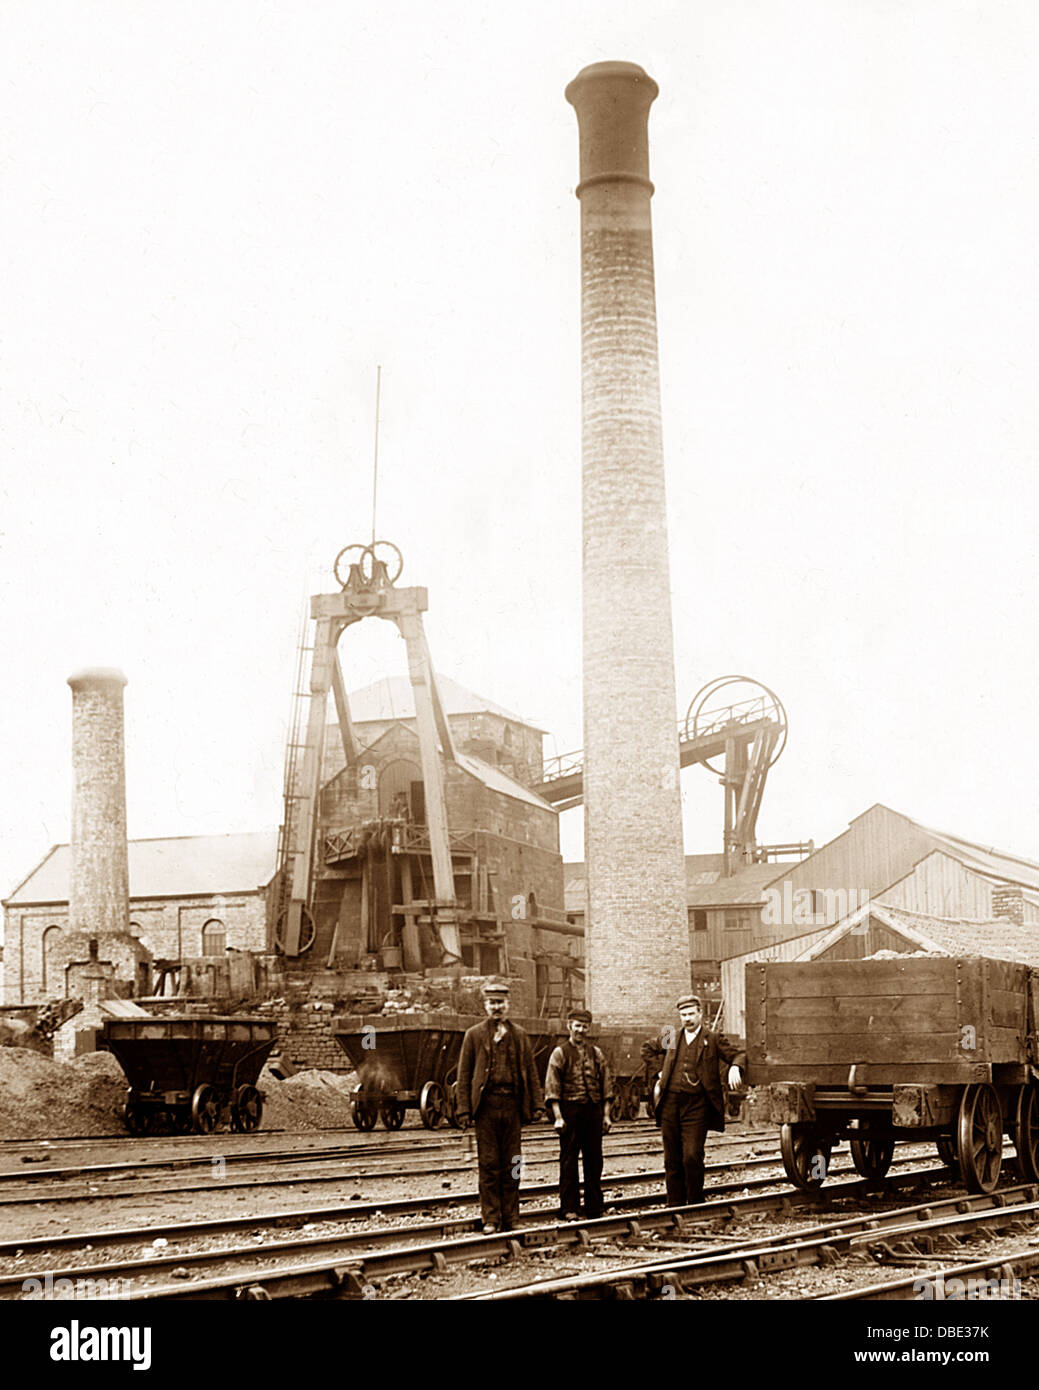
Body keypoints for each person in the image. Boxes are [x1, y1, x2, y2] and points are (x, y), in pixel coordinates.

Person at [642, 994, 745, 1207]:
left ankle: (696, 1202)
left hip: (697, 1105)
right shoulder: (671, 1035)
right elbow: (647, 1049)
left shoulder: (713, 1039)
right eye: (683, 1015)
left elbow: (738, 1055)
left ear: (700, 1014)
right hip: (670, 1102)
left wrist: (735, 1067)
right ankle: (675, 1205)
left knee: (692, 1155)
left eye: (691, 1014)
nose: (687, 1019)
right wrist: (659, 1074)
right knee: (672, 1157)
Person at [456, 979, 543, 1233]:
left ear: (508, 1005)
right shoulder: (473, 1035)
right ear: (485, 1005)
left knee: (514, 1162)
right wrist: (463, 1109)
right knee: (489, 1163)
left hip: (513, 1106)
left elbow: (531, 1072)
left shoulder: (520, 1036)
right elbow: (464, 1075)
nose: (496, 1008)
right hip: (487, 1107)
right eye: (492, 1003)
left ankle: (512, 1217)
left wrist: (537, 1104)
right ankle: (491, 1218)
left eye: (500, 1003)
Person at [543, 1007, 613, 1220]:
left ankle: (594, 1206)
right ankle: (569, 1208)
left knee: (594, 1160)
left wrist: (606, 1115)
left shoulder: (596, 1053)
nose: (580, 1030)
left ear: (588, 1028)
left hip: (592, 1111)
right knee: (568, 1161)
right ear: (569, 1026)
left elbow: (606, 1087)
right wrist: (558, 1117)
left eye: (584, 1026)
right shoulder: (560, 1053)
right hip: (570, 1113)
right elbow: (552, 1087)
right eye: (577, 1026)